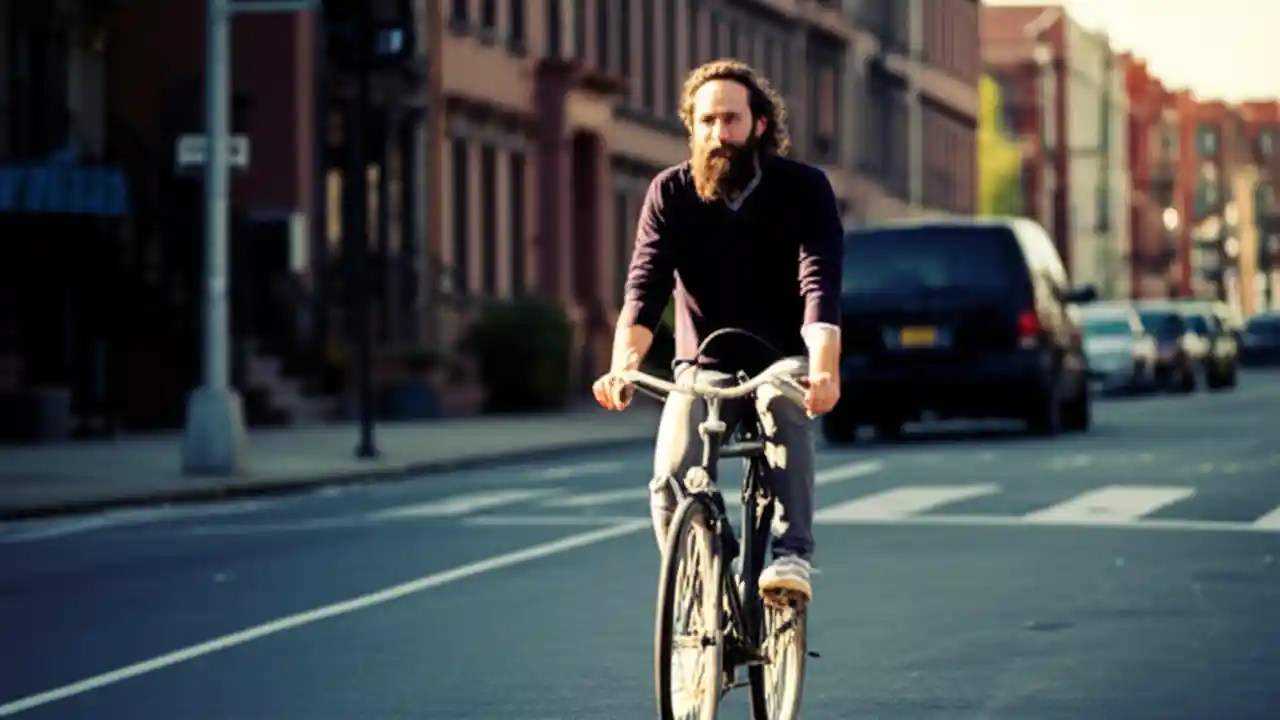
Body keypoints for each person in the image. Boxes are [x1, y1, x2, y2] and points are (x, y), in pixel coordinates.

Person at [591, 59, 843, 604]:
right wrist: (623, 365)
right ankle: (704, 592)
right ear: (691, 127)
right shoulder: (670, 194)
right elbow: (644, 288)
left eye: (730, 120)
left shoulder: (803, 189)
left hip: (781, 358)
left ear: (758, 125)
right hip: (703, 365)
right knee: (669, 480)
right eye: (706, 121)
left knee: (782, 403)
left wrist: (824, 368)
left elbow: (819, 283)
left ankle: (791, 557)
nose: (718, 134)